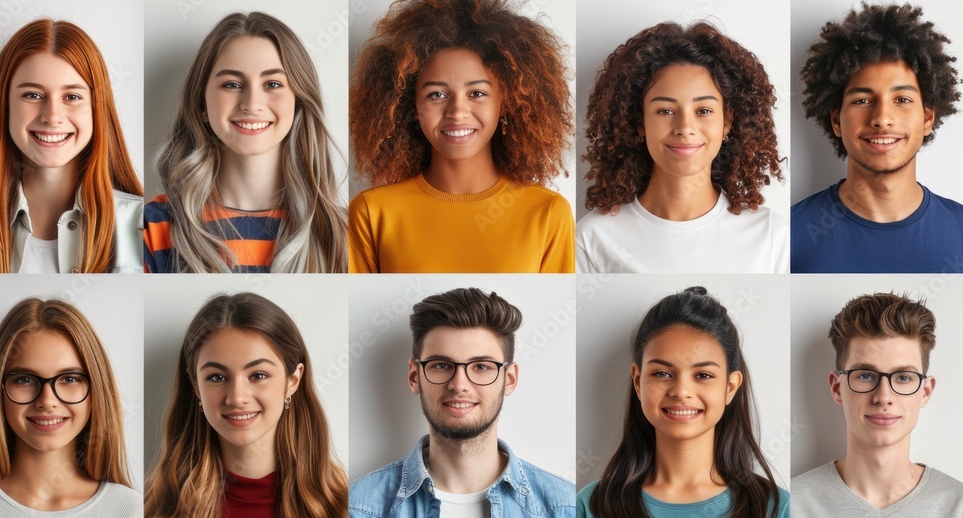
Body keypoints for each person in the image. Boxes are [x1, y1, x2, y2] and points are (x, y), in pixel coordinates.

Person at [348, 0, 575, 273]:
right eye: (437, 95)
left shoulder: (548, 212)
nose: (457, 111)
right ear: (410, 107)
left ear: (506, 102)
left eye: (476, 93)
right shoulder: (372, 212)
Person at [348, 288, 575, 518]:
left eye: (481, 367)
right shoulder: (355, 510)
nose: (459, 385)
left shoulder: (566, 511)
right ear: (414, 377)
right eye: (441, 365)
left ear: (509, 379)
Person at [577, 287, 789, 518]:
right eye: (663, 373)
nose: (681, 391)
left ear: (731, 387)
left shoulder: (777, 512)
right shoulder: (591, 508)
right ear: (637, 381)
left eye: (702, 375)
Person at [144, 293, 346, 518]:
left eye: (258, 375)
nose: (237, 397)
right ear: (196, 387)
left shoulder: (346, 510)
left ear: (293, 381)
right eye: (217, 377)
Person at [143, 12, 347, 273]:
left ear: (299, 104)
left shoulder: (343, 232)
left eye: (272, 84)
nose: (251, 104)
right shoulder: (150, 226)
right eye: (232, 84)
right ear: (201, 104)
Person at [577, 22, 787, 273]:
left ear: (727, 122)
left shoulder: (771, 236)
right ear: (640, 121)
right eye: (665, 111)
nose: (685, 127)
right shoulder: (592, 238)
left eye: (704, 111)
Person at [0, 298, 141, 518]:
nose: (47, 401)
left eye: (70, 379)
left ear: (96, 390)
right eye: (24, 379)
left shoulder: (131, 514)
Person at [791, 4, 963, 272]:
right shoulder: (788, 235)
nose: (882, 118)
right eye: (862, 100)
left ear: (927, 119)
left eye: (902, 99)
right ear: (836, 121)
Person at [791, 293, 963, 518]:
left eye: (903, 377)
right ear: (837, 388)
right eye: (866, 375)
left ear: (925, 392)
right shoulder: (787, 508)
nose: (883, 396)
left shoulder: (958, 510)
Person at [0, 19, 143, 273]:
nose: (52, 116)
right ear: (4, 106)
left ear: (96, 109)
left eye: (72, 97)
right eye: (33, 95)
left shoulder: (146, 225)